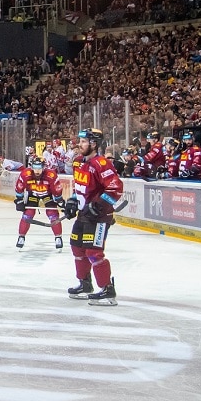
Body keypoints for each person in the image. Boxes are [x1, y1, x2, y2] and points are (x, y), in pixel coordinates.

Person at [63, 128, 124, 306]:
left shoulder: (102, 163)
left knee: (93, 252)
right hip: (83, 215)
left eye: (83, 142)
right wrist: (72, 202)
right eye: (79, 141)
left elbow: (115, 189)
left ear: (94, 144)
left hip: (99, 216)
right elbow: (79, 187)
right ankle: (85, 284)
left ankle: (107, 290)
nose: (79, 144)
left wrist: (97, 205)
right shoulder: (78, 162)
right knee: (77, 248)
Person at [13, 154, 66, 250]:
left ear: (44, 167)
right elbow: (19, 187)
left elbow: (57, 190)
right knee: (28, 214)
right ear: (31, 166)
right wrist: (19, 200)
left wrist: (60, 202)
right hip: (33, 195)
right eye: (35, 168)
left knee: (53, 214)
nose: (37, 171)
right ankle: (21, 237)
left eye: (39, 168)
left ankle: (58, 237)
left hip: (47, 195)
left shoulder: (51, 175)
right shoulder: (26, 174)